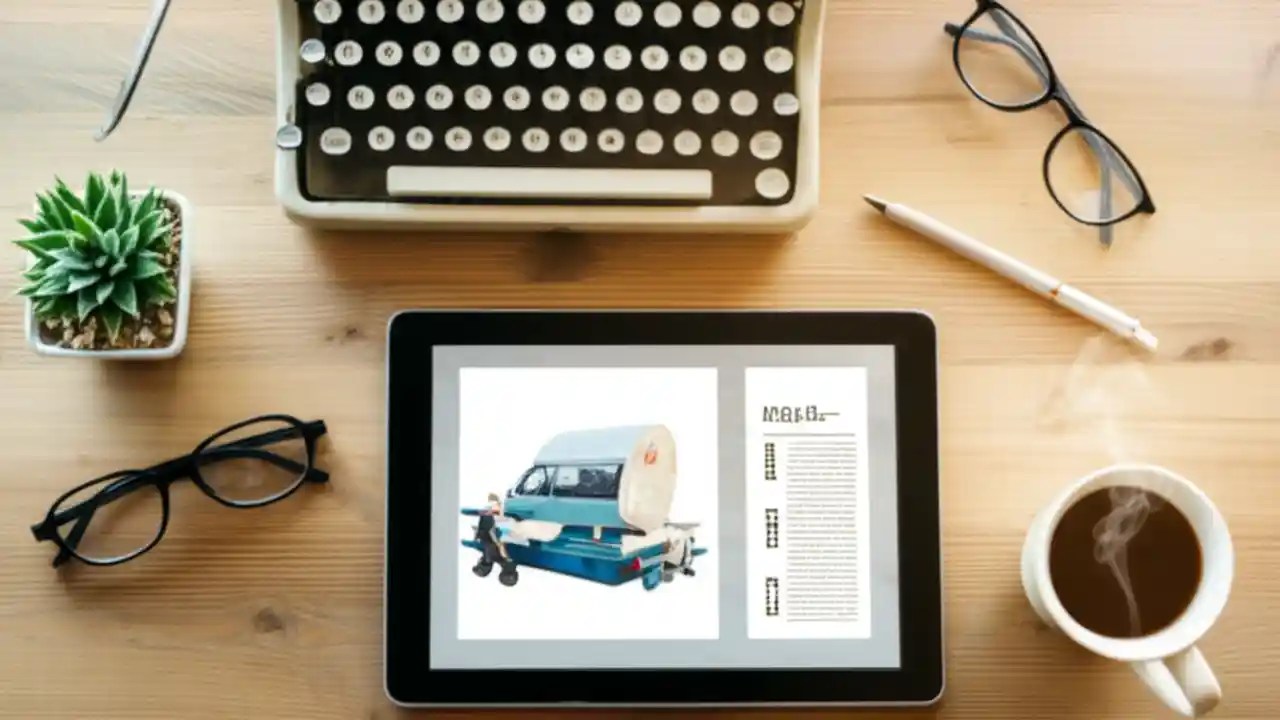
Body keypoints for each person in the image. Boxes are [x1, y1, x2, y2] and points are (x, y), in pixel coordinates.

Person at [473, 493, 518, 585]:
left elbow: (497, 545)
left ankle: (493, 507)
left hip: (492, 532)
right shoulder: (497, 558)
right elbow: (499, 546)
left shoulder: (493, 558)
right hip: (494, 533)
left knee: (487, 520)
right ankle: (494, 507)